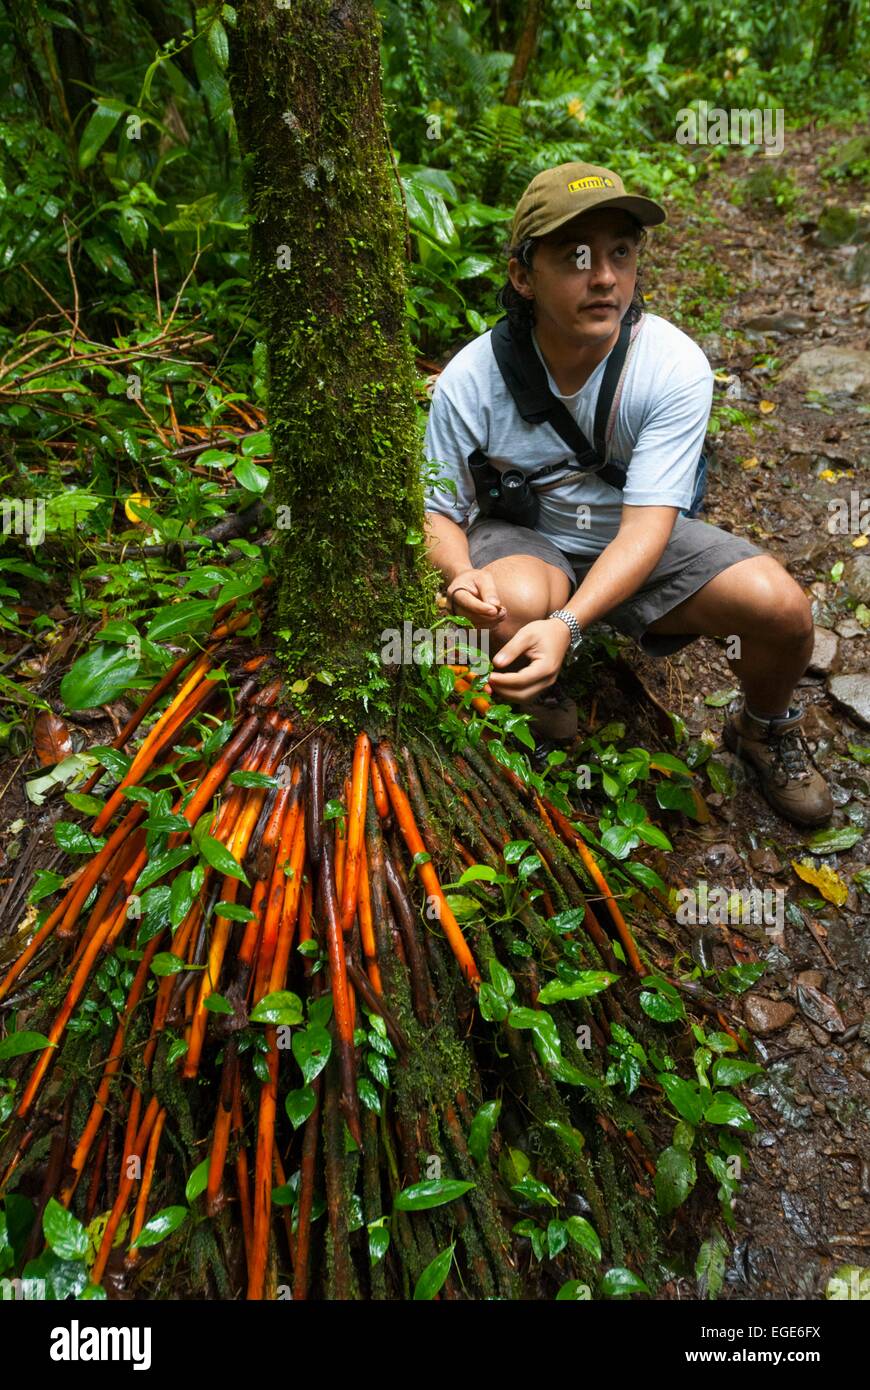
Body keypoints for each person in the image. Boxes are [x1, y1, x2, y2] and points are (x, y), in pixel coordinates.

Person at [421, 160, 832, 828]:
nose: (605, 277)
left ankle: (763, 727)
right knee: (507, 604)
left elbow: (647, 531)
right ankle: (535, 682)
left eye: (621, 253)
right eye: (576, 258)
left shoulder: (670, 366)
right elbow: (440, 508)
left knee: (781, 610)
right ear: (523, 276)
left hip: (632, 542)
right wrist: (460, 574)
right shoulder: (471, 380)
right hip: (529, 541)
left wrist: (570, 624)